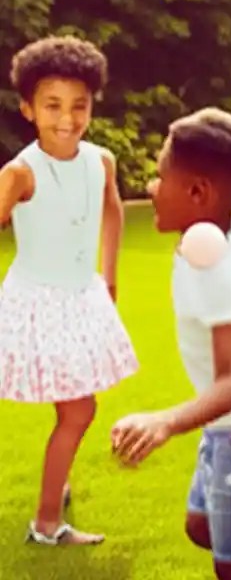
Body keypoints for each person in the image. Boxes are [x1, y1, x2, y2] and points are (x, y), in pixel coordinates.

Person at [111, 108, 231, 580]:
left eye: (159, 178)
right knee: (201, 527)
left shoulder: (216, 266)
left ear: (198, 193)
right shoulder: (211, 238)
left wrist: (164, 421)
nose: (152, 188)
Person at [0, 36, 137, 546]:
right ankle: (45, 523)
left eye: (79, 105)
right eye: (53, 105)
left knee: (73, 410)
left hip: (82, 298)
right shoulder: (19, 172)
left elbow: (114, 209)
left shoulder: (101, 160)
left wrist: (111, 277)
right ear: (28, 109)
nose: (67, 117)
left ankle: (55, 492)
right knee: (79, 411)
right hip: (38, 302)